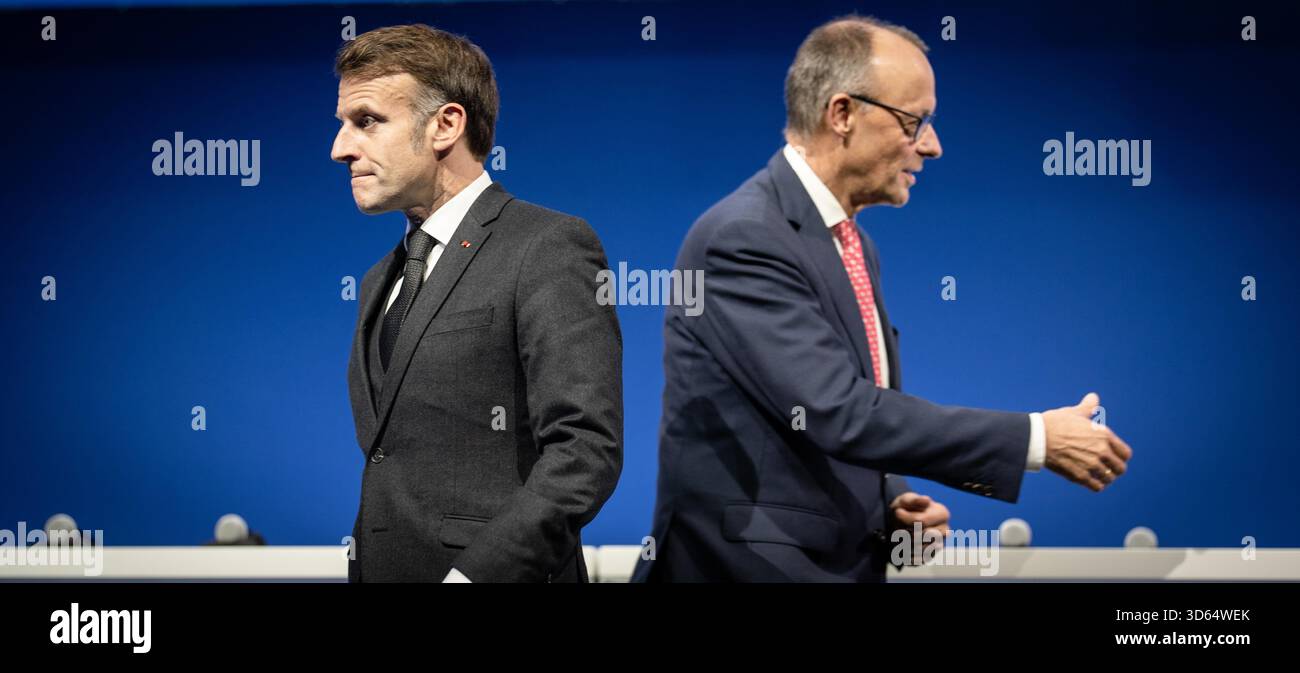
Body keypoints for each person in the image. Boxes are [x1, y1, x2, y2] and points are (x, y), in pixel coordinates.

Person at [633, 15, 1133, 582]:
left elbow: (812, 414)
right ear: (842, 114)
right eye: (914, 121)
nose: (933, 146)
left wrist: (887, 499)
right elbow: (836, 410)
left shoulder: (852, 242)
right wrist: (1036, 439)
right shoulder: (745, 237)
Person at [333, 24, 623, 582]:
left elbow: (584, 450)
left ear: (445, 124)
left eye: (366, 121)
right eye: (343, 125)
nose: (341, 148)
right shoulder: (377, 282)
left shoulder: (547, 246)